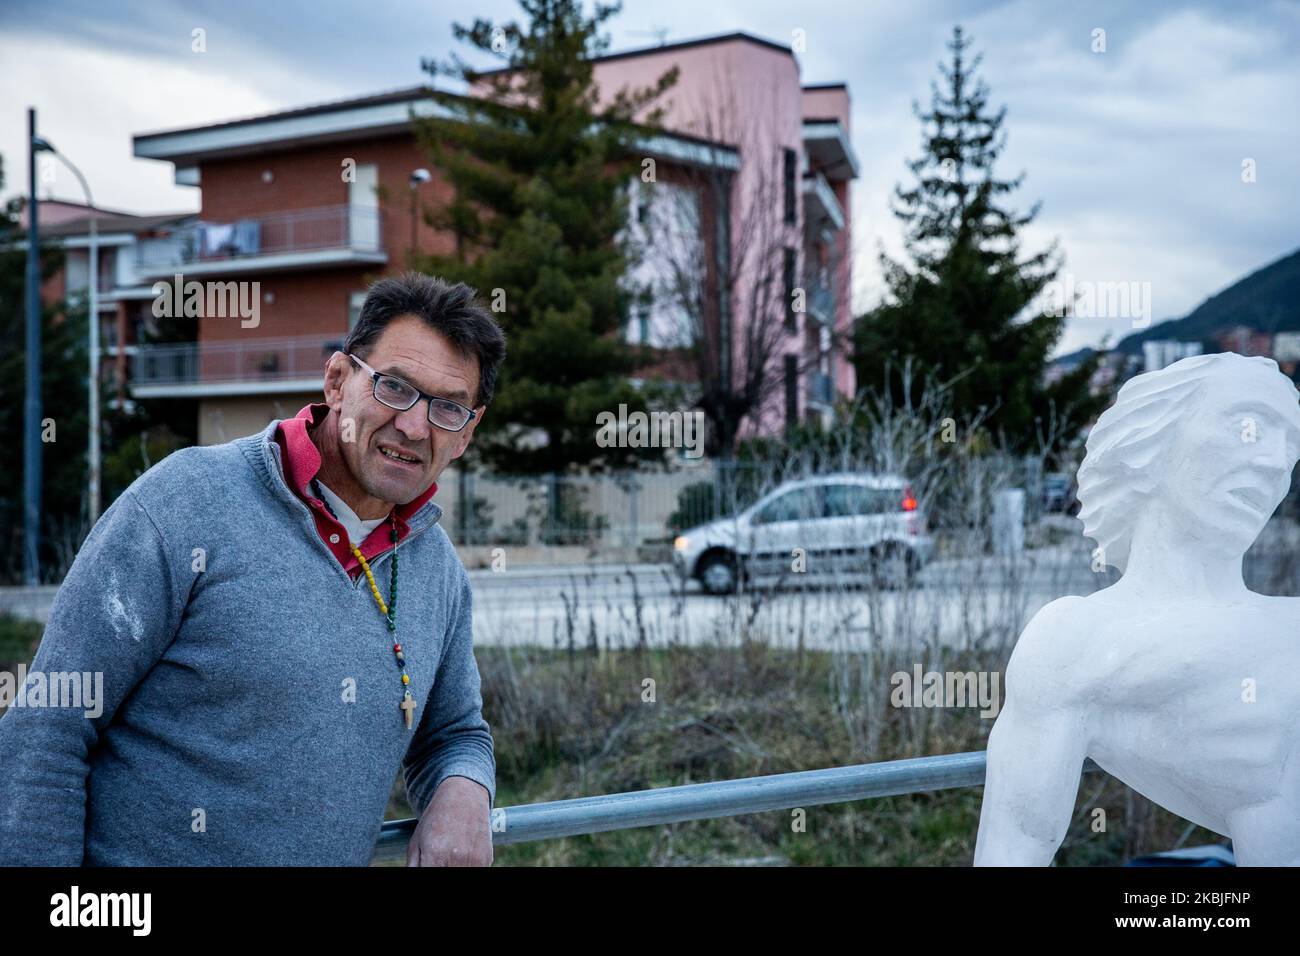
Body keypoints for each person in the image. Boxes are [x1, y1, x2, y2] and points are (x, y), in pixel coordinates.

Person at [0, 271, 507, 866]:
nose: (415, 426)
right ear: (338, 381)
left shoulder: (436, 568)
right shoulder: (185, 502)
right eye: (395, 387)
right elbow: (48, 728)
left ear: (466, 434)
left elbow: (455, 734)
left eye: (448, 409)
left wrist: (465, 788)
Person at [975, 352, 1300, 866]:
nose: (1276, 460)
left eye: (1292, 443)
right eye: (1249, 426)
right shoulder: (1074, 641)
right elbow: (1015, 841)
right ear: (1150, 446)